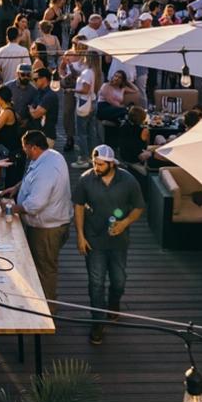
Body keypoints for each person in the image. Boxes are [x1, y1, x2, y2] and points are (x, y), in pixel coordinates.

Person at [72, 144, 145, 344]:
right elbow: (78, 206)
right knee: (96, 283)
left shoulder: (128, 180)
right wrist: (80, 235)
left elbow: (139, 207)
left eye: (101, 164)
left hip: (119, 240)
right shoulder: (86, 179)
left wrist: (125, 223)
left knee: (119, 280)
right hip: (94, 239)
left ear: (111, 163)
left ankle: (114, 304)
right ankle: (97, 323)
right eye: (95, 163)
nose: (96, 167)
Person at [1, 130, 72, 301]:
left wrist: (9, 208)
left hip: (46, 230)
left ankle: (47, 310)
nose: (24, 151)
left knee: (45, 269)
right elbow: (32, 178)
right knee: (42, 265)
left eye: (25, 148)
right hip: (52, 224)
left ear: (33, 148)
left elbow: (35, 205)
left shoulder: (47, 170)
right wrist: (17, 187)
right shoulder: (52, 156)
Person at [28, 68, 60, 145]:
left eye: (35, 79)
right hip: (38, 135)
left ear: (44, 79)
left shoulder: (49, 95)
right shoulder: (39, 92)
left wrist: (30, 108)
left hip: (46, 137)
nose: (33, 82)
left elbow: (35, 114)